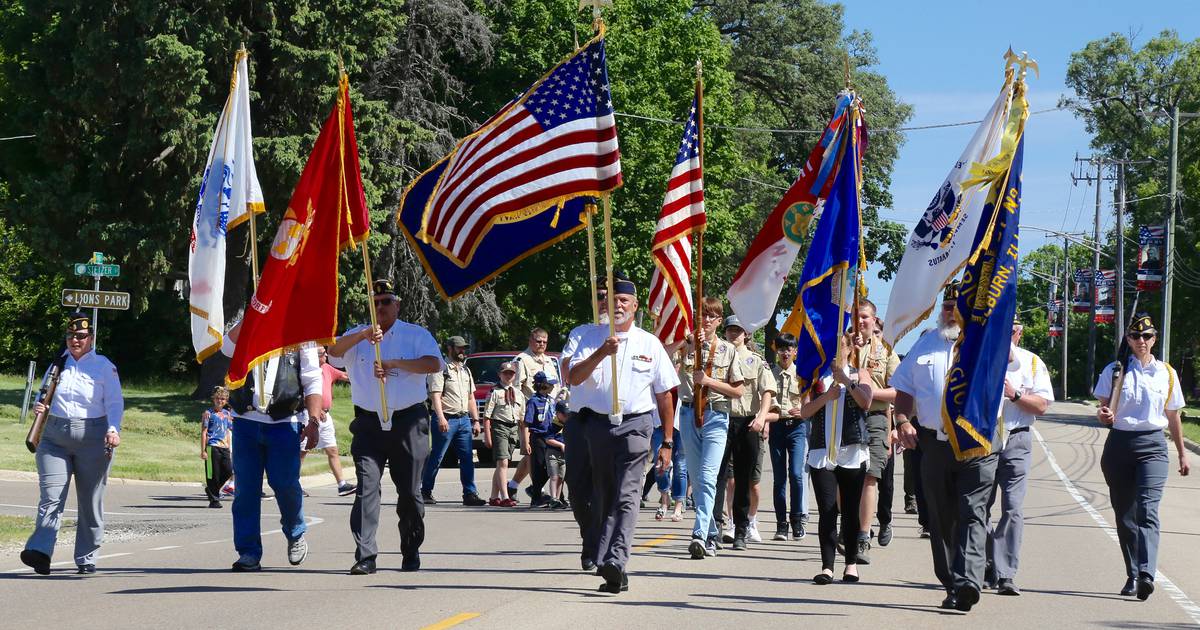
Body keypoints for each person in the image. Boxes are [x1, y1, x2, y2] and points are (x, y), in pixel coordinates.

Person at [562, 272, 679, 593]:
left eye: (624, 300)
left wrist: (667, 441)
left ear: (635, 305)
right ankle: (604, 556)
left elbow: (666, 394)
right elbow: (572, 377)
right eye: (611, 300)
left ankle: (616, 560)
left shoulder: (649, 343)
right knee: (603, 495)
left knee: (628, 495)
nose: (617, 306)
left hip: (636, 425)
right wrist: (602, 352)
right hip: (596, 425)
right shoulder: (589, 337)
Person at [327, 278, 443, 575]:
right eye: (376, 303)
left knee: (409, 493)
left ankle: (411, 548)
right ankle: (366, 554)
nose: (381, 307)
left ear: (397, 305)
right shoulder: (358, 335)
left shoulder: (414, 335)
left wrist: (394, 364)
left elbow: (433, 364)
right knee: (367, 487)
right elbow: (333, 353)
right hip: (369, 424)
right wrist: (363, 335)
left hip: (408, 421)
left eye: (386, 302)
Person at [893, 282, 998, 611]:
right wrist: (902, 421)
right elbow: (904, 387)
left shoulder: (985, 343)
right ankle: (952, 580)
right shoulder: (925, 344)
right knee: (940, 517)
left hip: (977, 445)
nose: (951, 311)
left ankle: (967, 582)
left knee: (972, 512)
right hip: (934, 445)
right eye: (947, 305)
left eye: (958, 306)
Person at [1094, 313, 1190, 601]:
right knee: (1125, 515)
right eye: (1136, 337)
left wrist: (1182, 453)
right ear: (1128, 339)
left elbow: (1173, 416)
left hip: (1153, 446)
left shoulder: (1167, 373)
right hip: (1120, 444)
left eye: (1147, 336)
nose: (1141, 342)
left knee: (1147, 510)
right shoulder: (1115, 370)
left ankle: (1147, 574)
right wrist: (1103, 415)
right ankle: (1133, 573)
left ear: (1155, 339)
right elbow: (1103, 410)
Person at [21, 313, 123, 575]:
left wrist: (113, 429)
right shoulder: (58, 364)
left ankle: (87, 556)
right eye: (70, 336)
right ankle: (41, 552)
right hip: (54, 436)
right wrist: (39, 407)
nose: (74, 340)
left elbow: (114, 402)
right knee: (51, 498)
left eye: (80, 336)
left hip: (93, 436)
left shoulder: (103, 366)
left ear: (90, 338)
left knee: (90, 500)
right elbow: (44, 395)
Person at [221, 323, 323, 573]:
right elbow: (225, 347)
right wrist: (251, 316)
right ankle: (248, 552)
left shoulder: (302, 335)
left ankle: (295, 532)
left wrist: (313, 420)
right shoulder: (251, 324)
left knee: (285, 484)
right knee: (245, 490)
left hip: (285, 423)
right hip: (247, 421)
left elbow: (311, 379)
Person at [983, 320, 1053, 596]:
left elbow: (1043, 405)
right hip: (984, 439)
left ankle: (1007, 573)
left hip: (1017, 437)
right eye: (1002, 328)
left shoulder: (1032, 363)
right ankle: (989, 563)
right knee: (981, 507)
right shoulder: (982, 356)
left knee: (1012, 506)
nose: (1007, 335)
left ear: (1019, 334)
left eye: (1012, 330)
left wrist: (1015, 394)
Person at [803, 334, 875, 584]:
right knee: (827, 509)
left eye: (840, 348)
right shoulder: (816, 377)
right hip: (822, 452)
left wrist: (846, 381)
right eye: (831, 348)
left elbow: (866, 402)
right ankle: (827, 567)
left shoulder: (859, 373)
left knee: (850, 511)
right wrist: (826, 397)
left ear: (848, 349)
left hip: (851, 452)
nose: (835, 353)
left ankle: (851, 563)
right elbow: (804, 411)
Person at [678, 297, 745, 559]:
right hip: (688, 413)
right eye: (701, 315)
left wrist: (708, 381)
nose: (705, 320)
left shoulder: (728, 350)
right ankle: (711, 533)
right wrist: (687, 349)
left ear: (718, 321)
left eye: (711, 316)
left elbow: (738, 390)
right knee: (697, 479)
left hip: (716, 416)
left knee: (707, 477)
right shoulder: (687, 346)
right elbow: (670, 371)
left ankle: (698, 533)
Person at [715, 315, 776, 550]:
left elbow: (768, 390)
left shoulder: (755, 360)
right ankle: (716, 528)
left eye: (738, 330)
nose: (733, 334)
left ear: (746, 334)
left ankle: (740, 530)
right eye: (730, 330)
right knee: (718, 477)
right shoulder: (717, 356)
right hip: (721, 419)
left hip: (747, 422)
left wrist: (761, 418)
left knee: (743, 480)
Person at [852, 299, 900, 562]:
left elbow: (897, 391)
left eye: (865, 317)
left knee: (871, 476)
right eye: (856, 317)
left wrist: (869, 392)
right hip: (845, 418)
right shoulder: (839, 348)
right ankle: (848, 526)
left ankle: (862, 536)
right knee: (845, 476)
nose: (860, 322)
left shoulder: (885, 351)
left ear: (874, 320)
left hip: (875, 418)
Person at [422, 335, 488, 507]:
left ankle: (470, 493)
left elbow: (470, 397)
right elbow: (435, 395)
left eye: (464, 348)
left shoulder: (465, 370)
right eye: (459, 348)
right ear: (449, 348)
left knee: (467, 458)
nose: (462, 351)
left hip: (464, 419)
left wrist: (475, 420)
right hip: (446, 419)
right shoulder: (440, 368)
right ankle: (425, 491)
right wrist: (441, 417)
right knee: (437, 456)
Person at [765, 332, 809, 541]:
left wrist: (803, 408)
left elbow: (810, 398)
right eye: (781, 349)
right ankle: (781, 524)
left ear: (795, 352)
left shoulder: (802, 373)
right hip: (777, 427)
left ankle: (797, 519)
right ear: (776, 350)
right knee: (779, 479)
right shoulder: (769, 373)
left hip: (797, 428)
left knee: (796, 474)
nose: (785, 353)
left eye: (788, 349)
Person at [509, 327, 561, 502]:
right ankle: (538, 490)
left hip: (550, 414)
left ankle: (514, 486)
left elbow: (557, 387)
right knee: (535, 454)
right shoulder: (522, 360)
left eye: (545, 341)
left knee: (537, 453)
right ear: (531, 341)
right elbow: (516, 389)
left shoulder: (549, 360)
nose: (542, 344)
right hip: (531, 415)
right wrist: (520, 417)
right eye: (538, 341)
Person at [299, 347, 356, 497]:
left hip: (326, 417)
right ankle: (295, 483)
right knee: (302, 451)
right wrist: (316, 410)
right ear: (315, 356)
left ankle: (342, 484)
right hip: (309, 415)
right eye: (323, 354)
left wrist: (365, 375)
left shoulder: (327, 368)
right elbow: (303, 393)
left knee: (332, 450)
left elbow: (345, 375)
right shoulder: (305, 370)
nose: (326, 355)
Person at [483, 361, 524, 507]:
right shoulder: (494, 392)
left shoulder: (518, 393)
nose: (508, 376)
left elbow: (522, 419)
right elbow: (487, 416)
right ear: (499, 374)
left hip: (513, 429)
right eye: (505, 373)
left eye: (511, 373)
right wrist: (486, 436)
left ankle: (494, 497)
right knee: (503, 462)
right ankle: (505, 496)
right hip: (499, 426)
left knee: (502, 464)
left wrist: (525, 440)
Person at [521, 371, 560, 508]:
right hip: (538, 437)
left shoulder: (551, 400)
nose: (553, 387)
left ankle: (556, 496)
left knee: (553, 466)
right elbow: (527, 423)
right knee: (539, 467)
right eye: (550, 384)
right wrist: (525, 442)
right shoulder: (533, 401)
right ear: (542, 385)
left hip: (550, 437)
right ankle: (536, 497)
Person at [650, 401, 687, 523]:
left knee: (680, 466)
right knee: (659, 463)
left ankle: (678, 506)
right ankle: (664, 501)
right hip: (660, 423)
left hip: (681, 423)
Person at [201, 386, 235, 508]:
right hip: (212, 447)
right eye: (218, 398)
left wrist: (230, 447)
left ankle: (211, 490)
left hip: (224, 447)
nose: (220, 401)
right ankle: (214, 500)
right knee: (213, 474)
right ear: (213, 399)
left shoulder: (227, 414)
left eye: (223, 399)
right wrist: (203, 450)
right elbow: (204, 432)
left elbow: (230, 430)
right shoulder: (208, 413)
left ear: (226, 401)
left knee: (228, 471)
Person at [543, 401, 569, 507]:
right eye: (564, 414)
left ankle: (558, 499)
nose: (566, 416)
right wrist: (561, 445)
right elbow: (548, 439)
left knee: (561, 478)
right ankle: (553, 498)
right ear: (558, 414)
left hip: (564, 456)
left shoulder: (569, 425)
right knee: (554, 476)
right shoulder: (553, 425)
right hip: (552, 454)